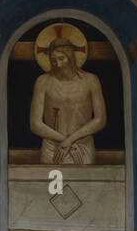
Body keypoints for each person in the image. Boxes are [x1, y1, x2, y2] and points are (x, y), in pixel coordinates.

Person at [29, 28, 106, 166]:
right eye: (53, 60)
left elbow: (100, 119)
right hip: (52, 149)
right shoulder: (43, 82)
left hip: (82, 148)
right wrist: (64, 140)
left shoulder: (90, 80)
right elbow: (35, 124)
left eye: (61, 58)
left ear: (71, 57)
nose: (57, 64)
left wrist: (71, 141)